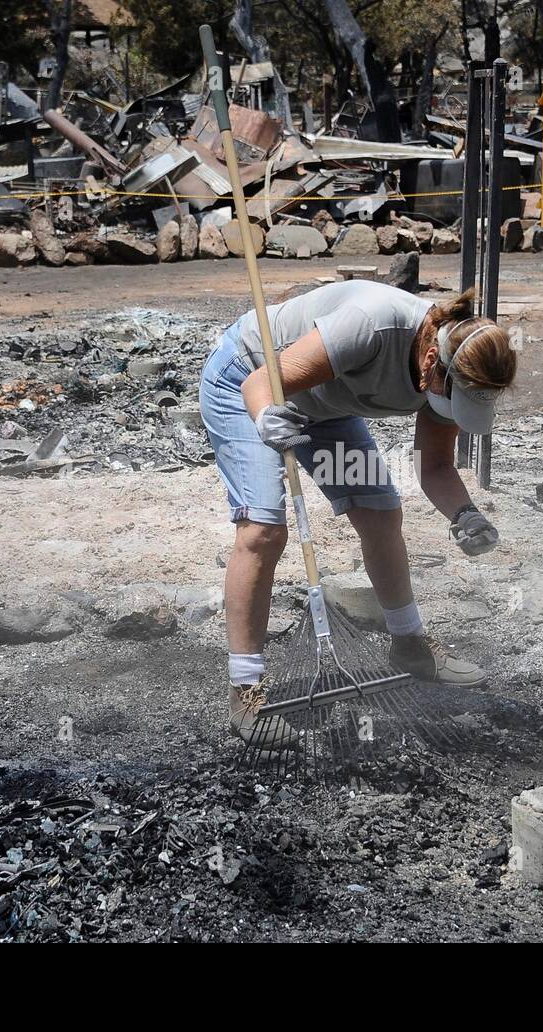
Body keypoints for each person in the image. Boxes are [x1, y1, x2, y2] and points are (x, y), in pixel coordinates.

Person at [199, 280, 516, 750]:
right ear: (431, 362)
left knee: (380, 512)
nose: (453, 409)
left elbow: (435, 467)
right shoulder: (370, 325)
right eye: (455, 399)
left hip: (326, 403)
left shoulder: (454, 371)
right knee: (264, 529)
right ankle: (245, 689)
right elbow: (261, 383)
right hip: (248, 381)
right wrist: (268, 417)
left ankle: (410, 647)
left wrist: (465, 515)